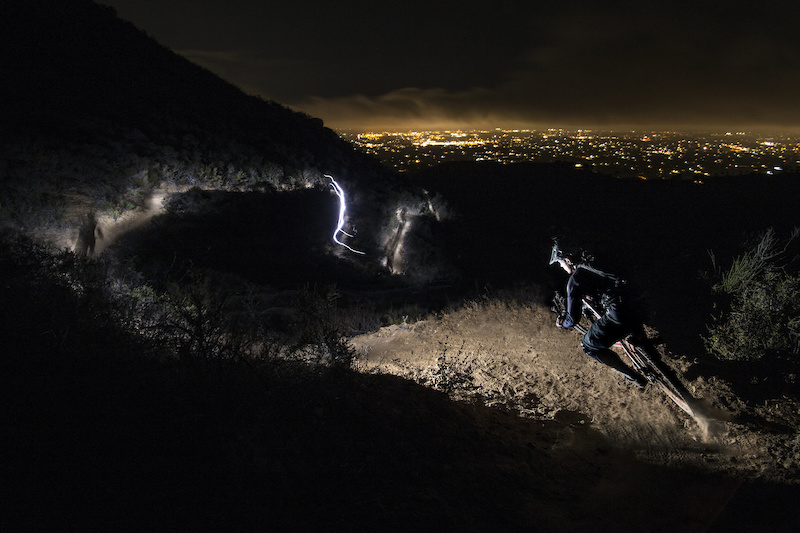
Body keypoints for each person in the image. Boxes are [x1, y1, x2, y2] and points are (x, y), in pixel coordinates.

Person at [550, 240, 648, 388]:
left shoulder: (575, 279)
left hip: (618, 312)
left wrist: (562, 322)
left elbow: (573, 319)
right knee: (627, 318)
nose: (561, 267)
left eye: (560, 263)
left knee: (588, 346)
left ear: (568, 259)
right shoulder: (600, 258)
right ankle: (648, 350)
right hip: (640, 302)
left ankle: (634, 377)